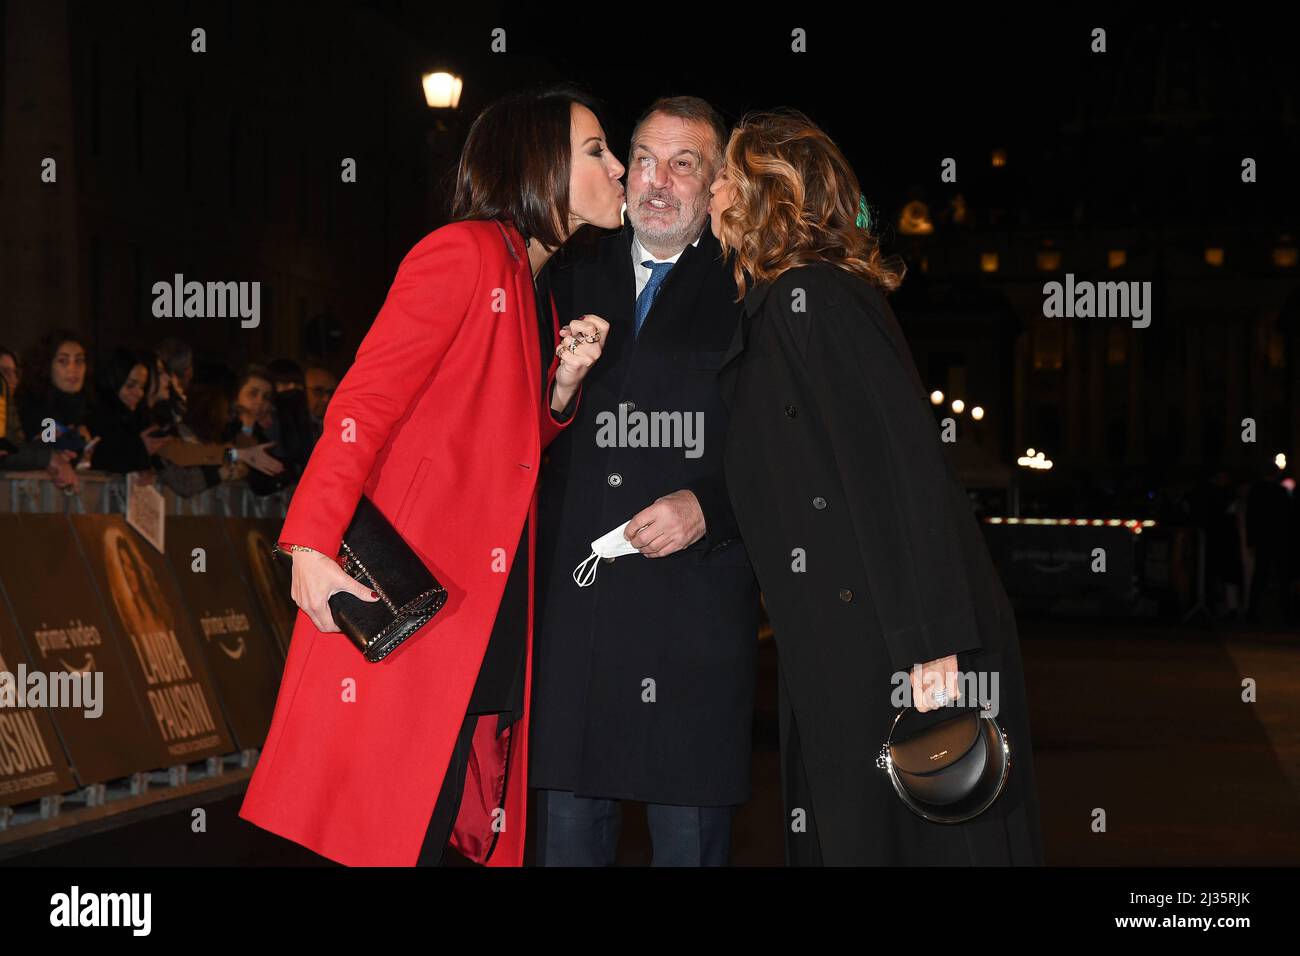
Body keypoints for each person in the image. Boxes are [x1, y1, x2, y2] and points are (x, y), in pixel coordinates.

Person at [238, 84, 624, 867]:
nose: (617, 167)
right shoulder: (466, 253)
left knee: (430, 828)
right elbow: (363, 402)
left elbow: (495, 446)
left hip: (476, 613)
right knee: (387, 834)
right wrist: (310, 546)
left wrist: (559, 392)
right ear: (538, 165)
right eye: (596, 150)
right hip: (414, 604)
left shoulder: (530, 287)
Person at [709, 109, 1044, 865]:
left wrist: (932, 646)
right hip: (841, 638)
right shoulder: (789, 303)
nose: (713, 187)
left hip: (895, 645)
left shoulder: (814, 299)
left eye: (727, 172)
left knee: (906, 836)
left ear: (770, 193)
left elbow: (902, 467)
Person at [531, 96, 760, 866]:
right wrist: (556, 388)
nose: (657, 182)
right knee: (567, 840)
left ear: (717, 184)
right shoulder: (562, 271)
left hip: (692, 617)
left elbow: (789, 450)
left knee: (691, 844)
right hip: (578, 619)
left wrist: (710, 507)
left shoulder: (753, 289)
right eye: (645, 160)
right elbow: (510, 423)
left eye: (684, 164)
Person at [87, 347, 173, 474]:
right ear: (113, 381)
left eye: (142, 386)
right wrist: (139, 450)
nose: (138, 393)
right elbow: (102, 459)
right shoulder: (96, 416)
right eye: (130, 385)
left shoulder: (138, 418)